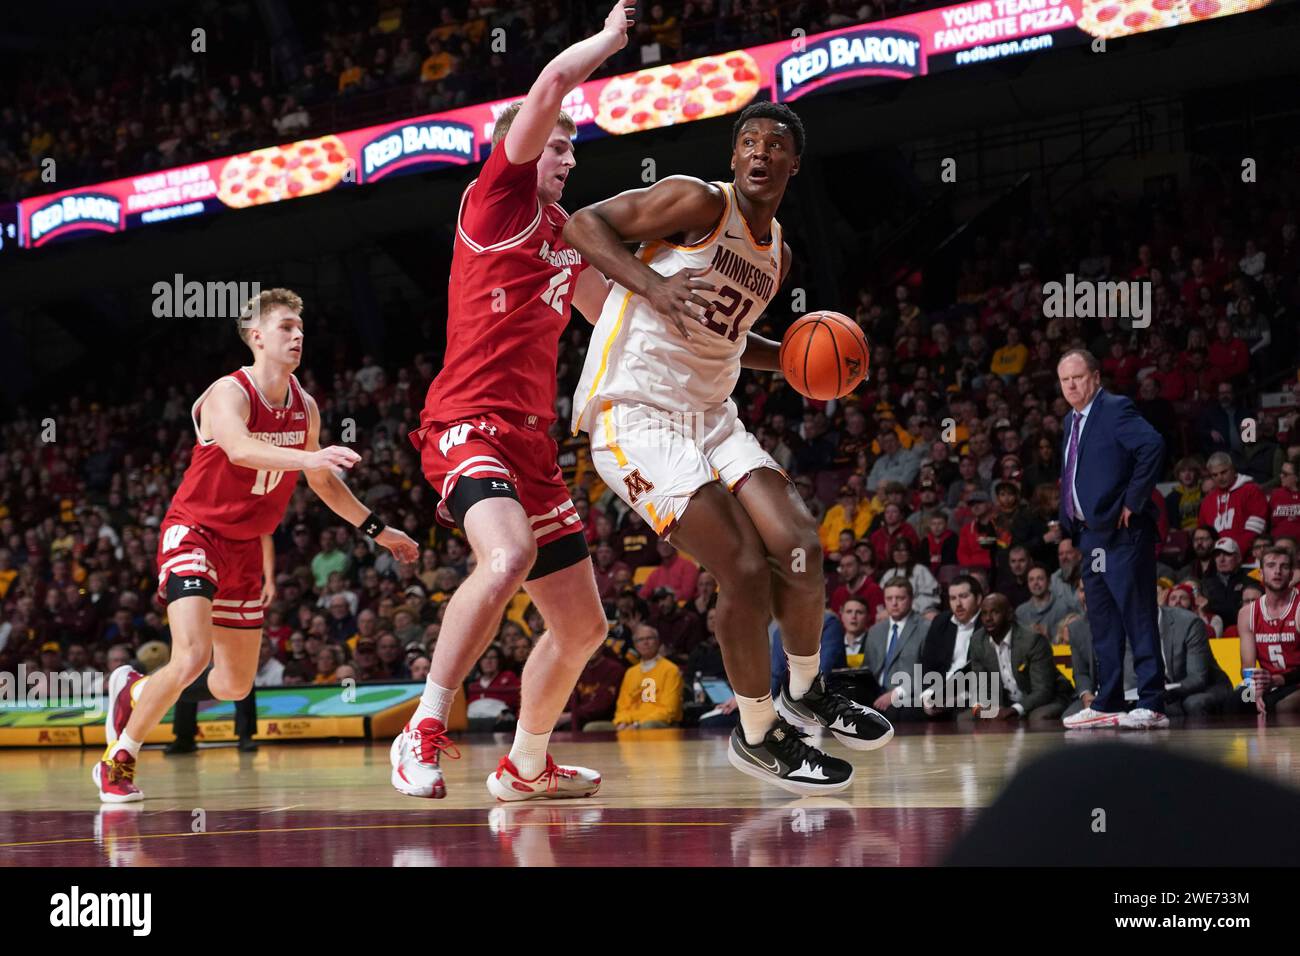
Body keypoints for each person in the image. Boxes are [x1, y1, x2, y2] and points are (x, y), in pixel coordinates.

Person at [564, 99, 891, 794]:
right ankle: (755, 730)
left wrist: (807, 364)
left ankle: (806, 692)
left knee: (799, 542)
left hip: (711, 413)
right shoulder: (695, 200)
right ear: (735, 155)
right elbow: (581, 223)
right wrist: (652, 284)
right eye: (749, 142)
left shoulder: (778, 255)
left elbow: (731, 338)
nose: (760, 153)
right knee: (743, 568)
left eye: (775, 144)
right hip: (639, 413)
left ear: (792, 164)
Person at [392, 1, 635, 803]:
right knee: (506, 557)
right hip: (467, 422)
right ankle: (423, 724)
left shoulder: (570, 233)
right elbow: (553, 82)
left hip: (533, 446)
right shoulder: (497, 199)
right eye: (559, 143)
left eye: (573, 148)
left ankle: (525, 765)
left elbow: (618, 321)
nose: (567, 157)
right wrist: (608, 39)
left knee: (584, 629)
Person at [96, 289, 418, 802]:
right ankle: (121, 758)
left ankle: (135, 688)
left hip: (245, 547)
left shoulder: (305, 406)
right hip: (195, 531)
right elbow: (242, 449)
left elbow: (325, 483)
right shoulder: (230, 392)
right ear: (257, 336)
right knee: (192, 655)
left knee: (233, 686)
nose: (297, 336)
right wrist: (310, 459)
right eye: (287, 327)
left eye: (301, 329)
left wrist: (380, 530)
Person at [1056, 349, 1168, 731]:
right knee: (1102, 619)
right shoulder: (1072, 420)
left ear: (1096, 377)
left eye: (1077, 377)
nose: (1071, 385)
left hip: (1123, 534)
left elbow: (1152, 446)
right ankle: (1109, 700)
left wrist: (1133, 501)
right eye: (1064, 379)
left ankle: (1152, 700)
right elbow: (1071, 474)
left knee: (1136, 613)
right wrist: (1068, 523)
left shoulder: (1114, 408)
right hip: (1093, 537)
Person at [969, 594, 1073, 722]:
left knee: (1037, 717)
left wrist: (1014, 710)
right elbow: (981, 684)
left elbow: (1043, 691)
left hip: (1050, 698)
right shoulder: (977, 641)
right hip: (1007, 702)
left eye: (995, 612)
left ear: (1009, 614)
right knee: (966, 717)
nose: (988, 618)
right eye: (984, 613)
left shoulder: (1032, 640)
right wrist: (982, 707)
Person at [1236, 547, 1300, 715]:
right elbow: (1247, 666)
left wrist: (1281, 679)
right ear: (1261, 573)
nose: (1277, 571)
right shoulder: (1247, 613)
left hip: (1294, 682)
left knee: (1283, 707)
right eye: (1271, 565)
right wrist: (1254, 688)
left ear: (1292, 574)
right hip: (1268, 683)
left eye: (1284, 566)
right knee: (1238, 701)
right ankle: (1254, 742)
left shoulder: (1298, 607)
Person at [861, 579, 926, 716]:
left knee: (898, 712)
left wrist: (896, 693)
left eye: (900, 598)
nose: (894, 603)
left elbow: (927, 673)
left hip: (907, 696)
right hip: (875, 695)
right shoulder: (875, 631)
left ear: (911, 599)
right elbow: (867, 669)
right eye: (889, 598)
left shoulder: (925, 628)